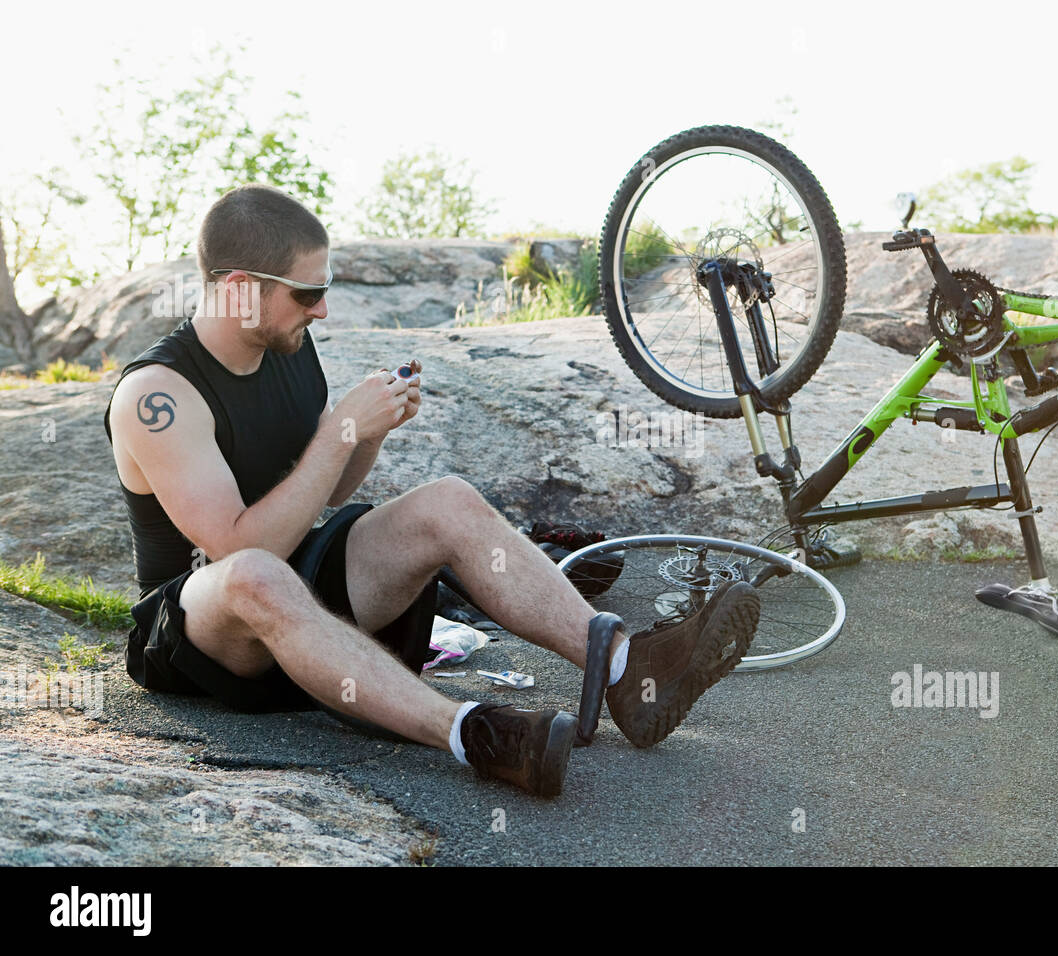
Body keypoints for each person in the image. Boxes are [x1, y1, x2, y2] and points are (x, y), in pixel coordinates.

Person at [102, 184, 760, 798]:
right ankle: (476, 734)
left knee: (445, 499)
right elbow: (245, 547)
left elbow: (317, 499)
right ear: (242, 288)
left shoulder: (290, 349)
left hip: (303, 604)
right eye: (308, 293)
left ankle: (625, 668)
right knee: (252, 575)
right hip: (204, 635)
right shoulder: (158, 395)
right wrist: (339, 432)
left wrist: (367, 438)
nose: (322, 309)